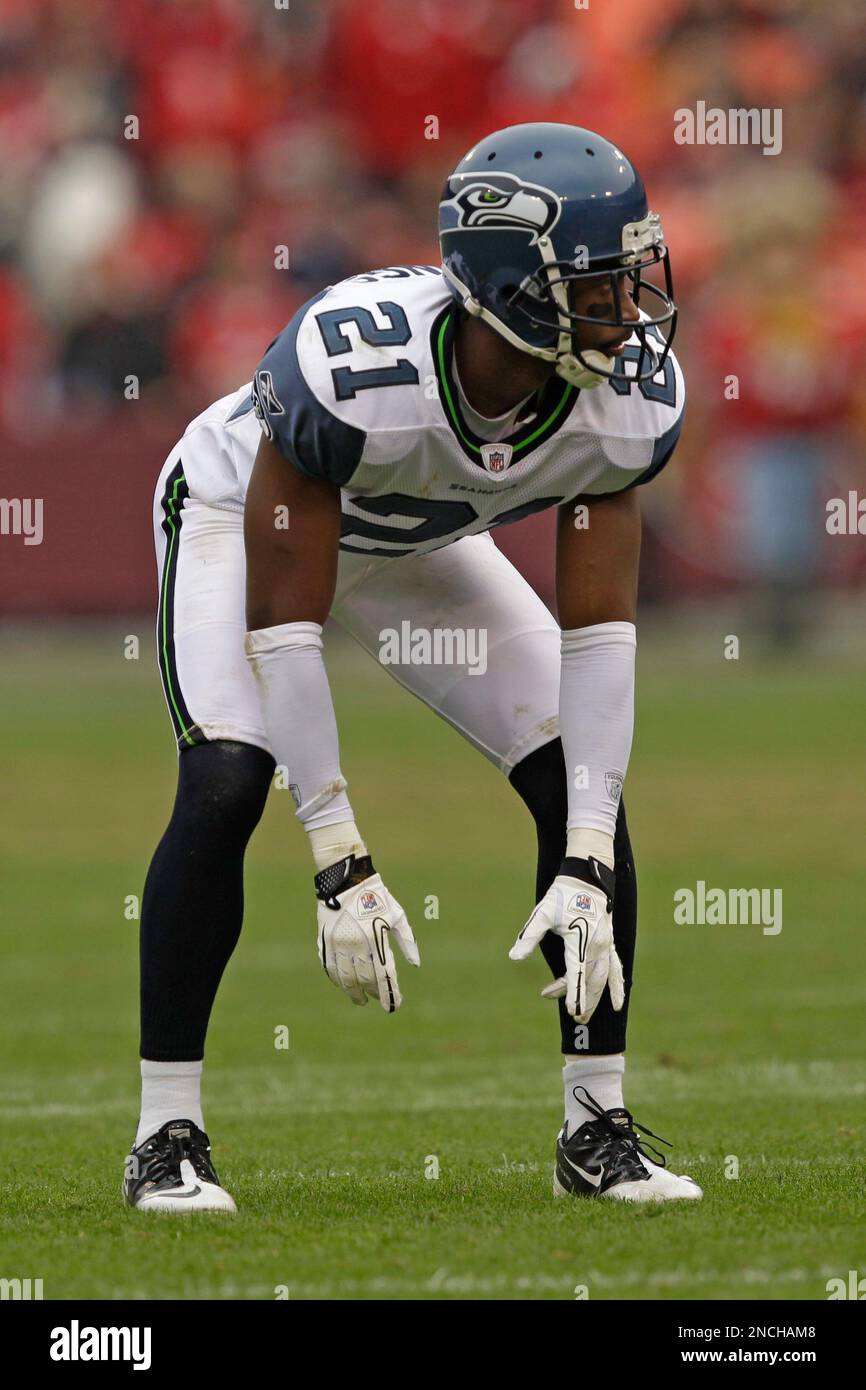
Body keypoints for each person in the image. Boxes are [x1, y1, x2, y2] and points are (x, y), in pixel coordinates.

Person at [124, 122, 701, 1211]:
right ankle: (166, 1133)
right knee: (227, 779)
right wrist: (338, 856)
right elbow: (288, 624)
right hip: (242, 523)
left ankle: (595, 1124)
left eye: (630, 277)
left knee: (580, 782)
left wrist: (584, 856)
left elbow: (600, 635)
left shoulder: (622, 400)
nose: (627, 310)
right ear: (505, 283)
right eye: (595, 284)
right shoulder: (356, 370)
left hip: (410, 543)